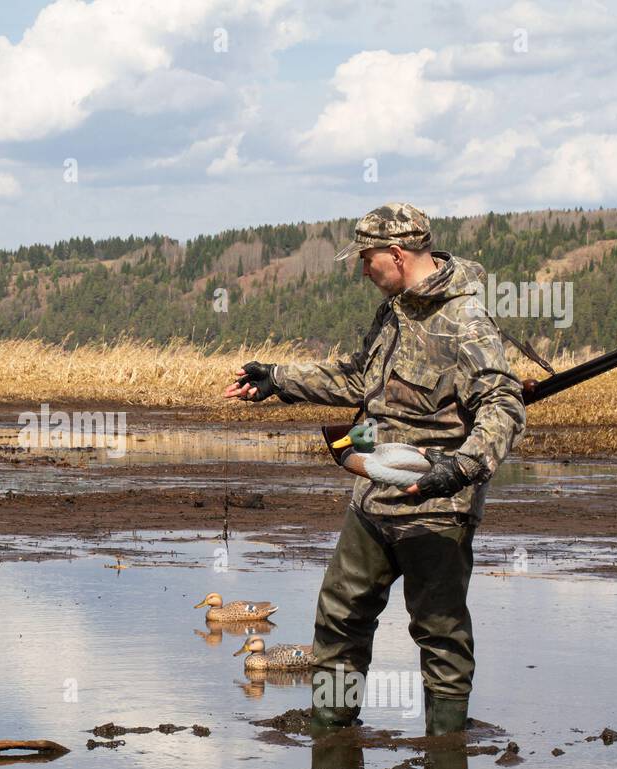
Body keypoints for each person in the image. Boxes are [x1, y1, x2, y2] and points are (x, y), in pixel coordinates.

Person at [224, 202, 526, 735]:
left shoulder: (466, 322)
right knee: (340, 615)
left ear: (396, 253)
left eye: (367, 259)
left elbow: (503, 405)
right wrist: (277, 379)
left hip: (436, 507)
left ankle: (446, 754)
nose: (363, 270)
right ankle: (331, 731)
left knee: (439, 632)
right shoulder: (394, 311)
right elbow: (358, 380)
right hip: (373, 499)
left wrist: (461, 468)